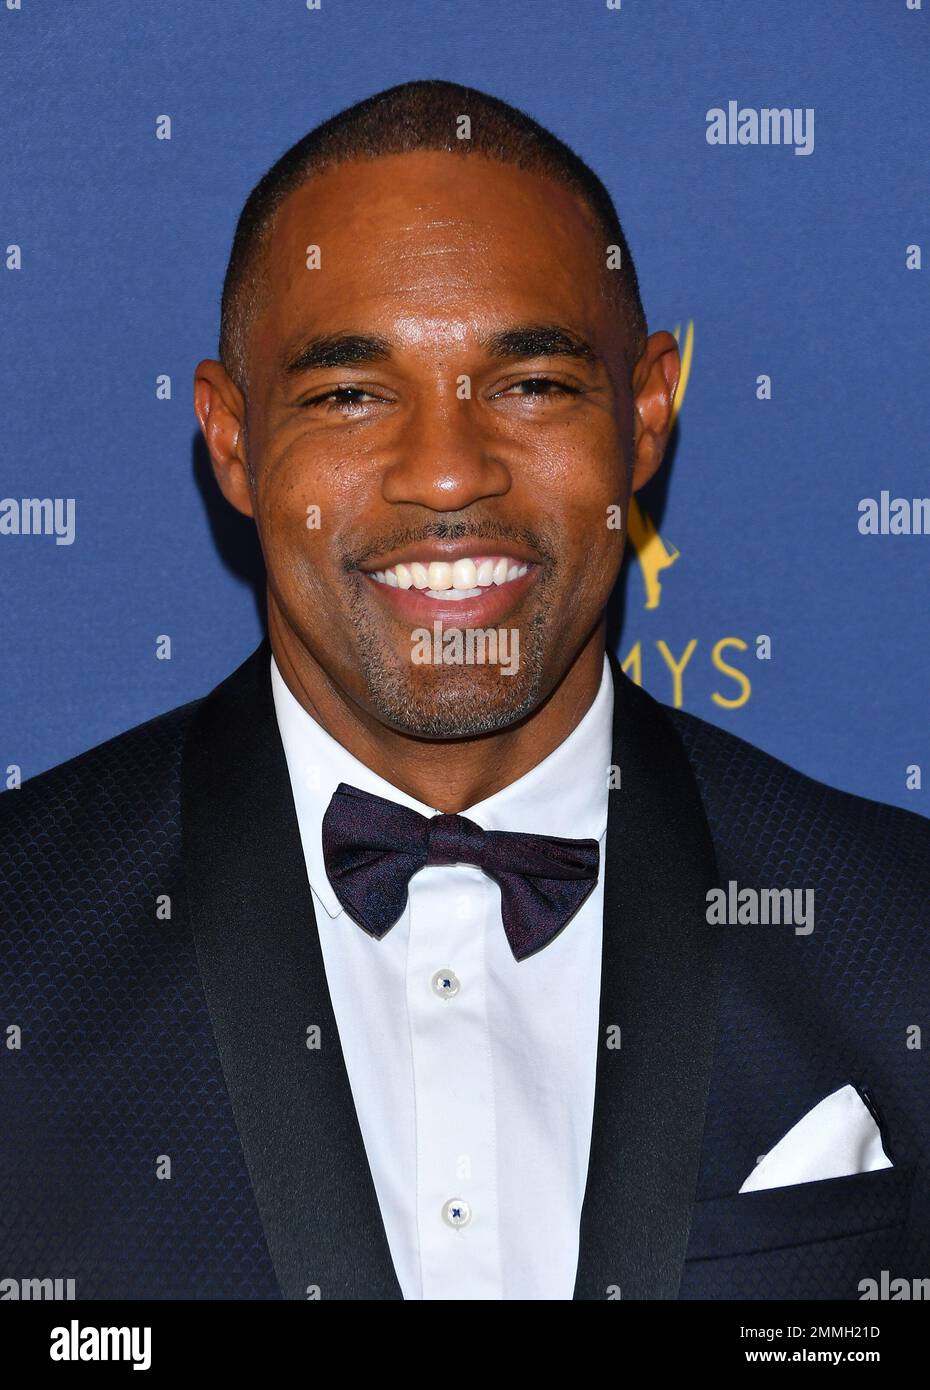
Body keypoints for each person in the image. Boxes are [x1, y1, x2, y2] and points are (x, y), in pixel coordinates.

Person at [1, 80, 927, 1302]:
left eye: (531, 382)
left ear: (647, 413)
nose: (447, 474)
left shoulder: (893, 931)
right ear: (232, 442)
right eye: (350, 394)